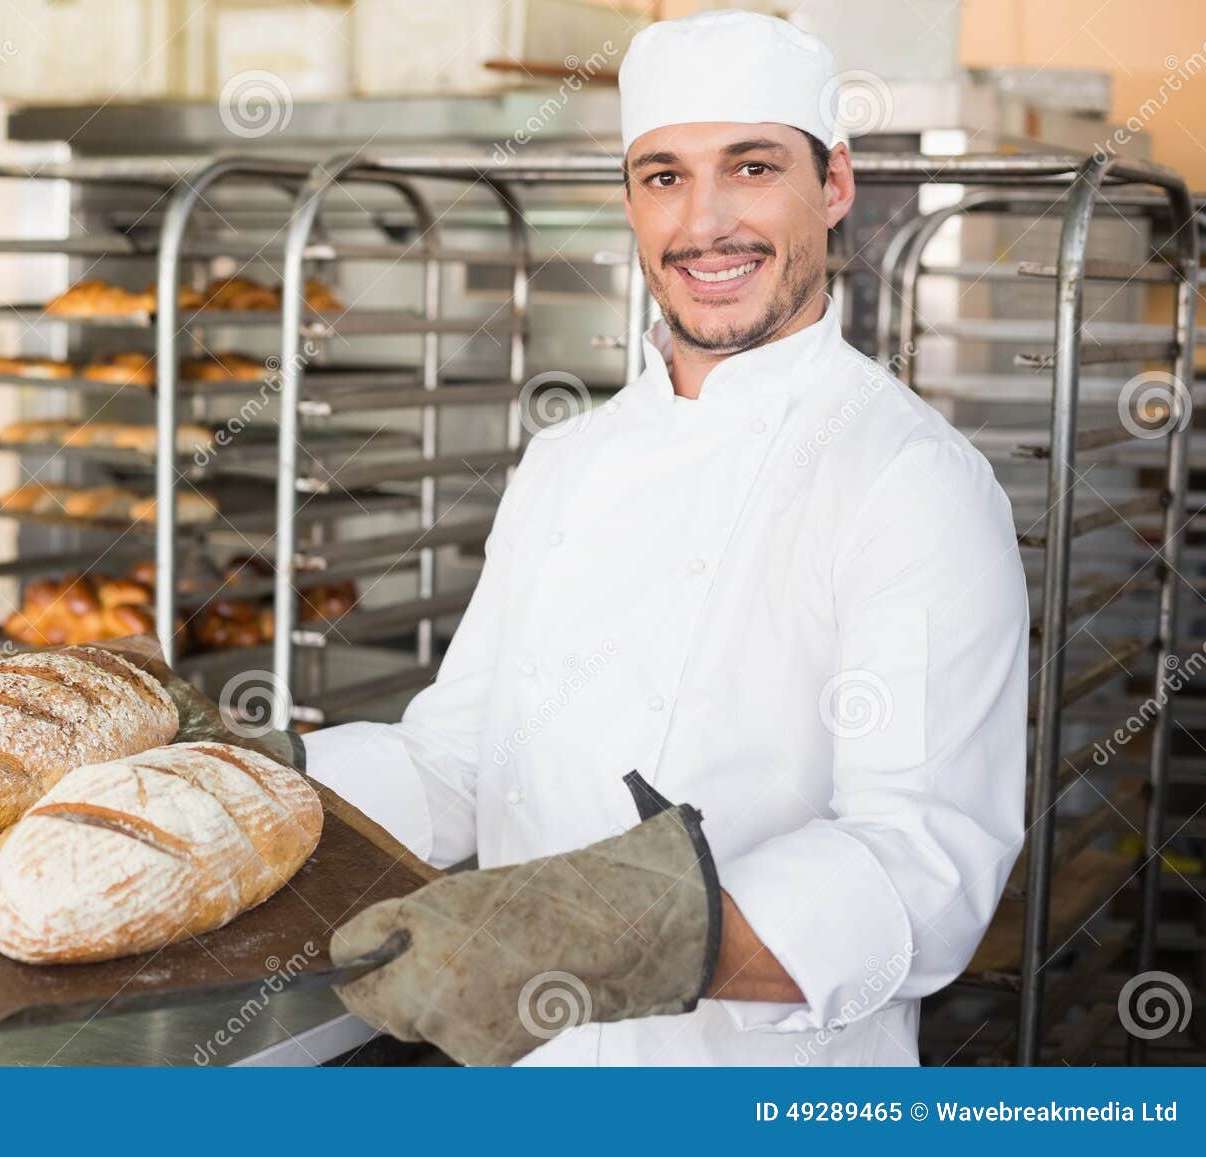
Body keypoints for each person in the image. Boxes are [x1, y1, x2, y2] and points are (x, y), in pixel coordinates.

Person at [303, 10, 1029, 1066]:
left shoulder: (910, 479)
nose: (705, 222)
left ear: (833, 184)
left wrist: (614, 935)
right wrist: (272, 786)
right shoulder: (568, 461)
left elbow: (920, 865)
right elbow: (458, 760)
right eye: (662, 176)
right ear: (630, 201)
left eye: (750, 167)